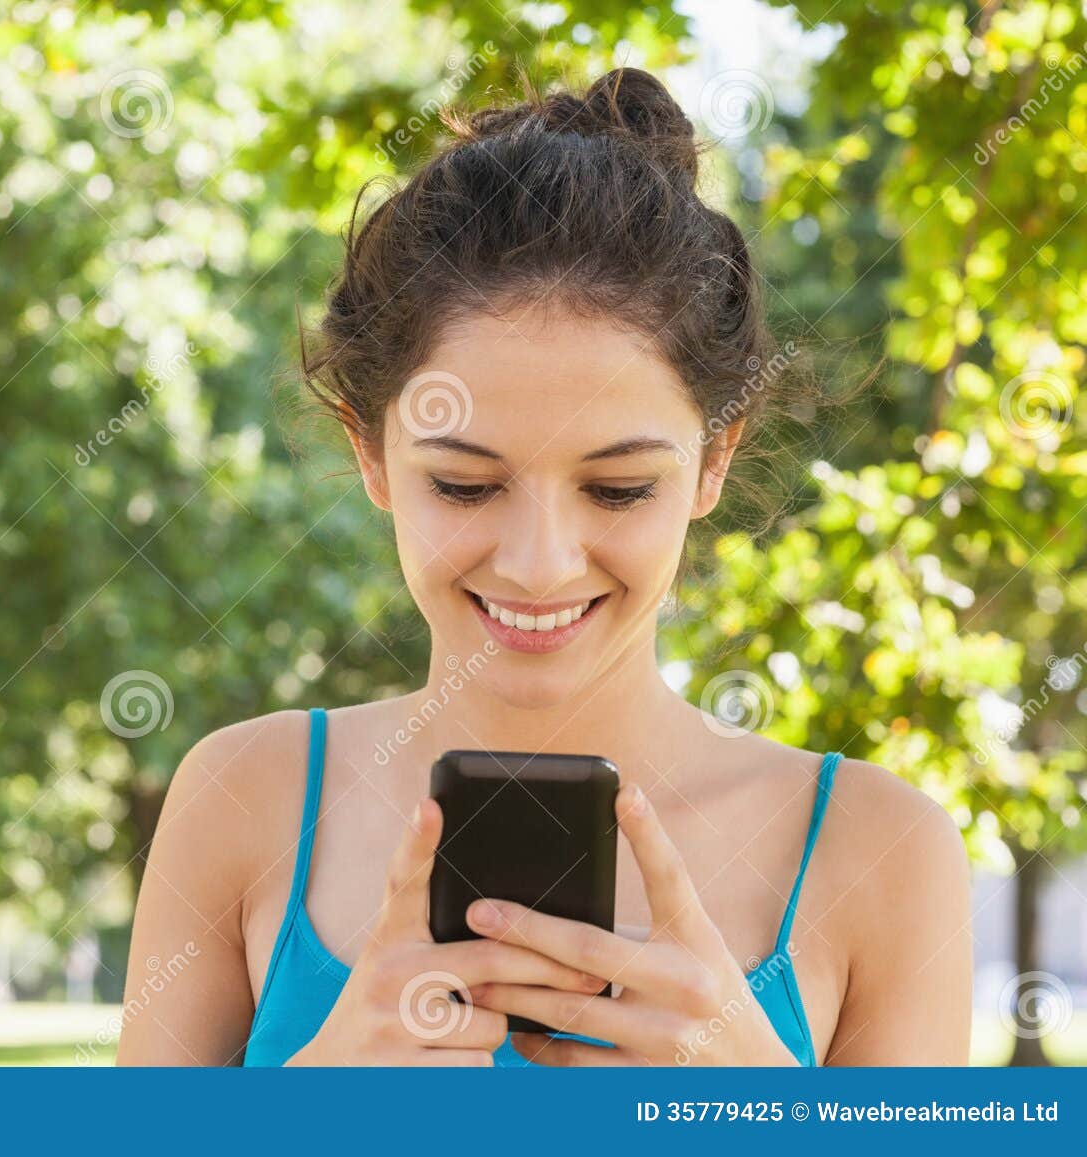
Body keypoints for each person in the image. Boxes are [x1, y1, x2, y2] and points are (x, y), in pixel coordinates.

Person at [116, 66, 972, 1067]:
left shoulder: (879, 848)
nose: (536, 563)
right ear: (370, 451)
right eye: (466, 486)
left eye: (615, 490)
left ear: (715, 458)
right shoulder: (242, 796)